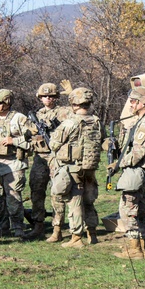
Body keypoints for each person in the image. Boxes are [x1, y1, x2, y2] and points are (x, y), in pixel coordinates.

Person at [47, 87, 103, 248]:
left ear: (74, 104)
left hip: (73, 168)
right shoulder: (96, 121)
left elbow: (53, 144)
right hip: (90, 167)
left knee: (75, 201)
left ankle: (76, 238)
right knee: (88, 202)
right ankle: (92, 234)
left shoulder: (70, 123)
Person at [112, 86, 145, 260]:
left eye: (134, 101)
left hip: (138, 170)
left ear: (143, 103)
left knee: (129, 209)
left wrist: (118, 164)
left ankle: (135, 250)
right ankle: (144, 250)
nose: (131, 104)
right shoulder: (142, 121)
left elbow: (138, 153)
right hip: (140, 169)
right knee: (140, 210)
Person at [0, 88, 34, 237]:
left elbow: (33, 140)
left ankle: (18, 227)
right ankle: (1, 227)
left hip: (13, 164)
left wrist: (14, 141)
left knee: (13, 198)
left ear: (7, 102)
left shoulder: (19, 118)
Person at [25, 83, 73, 242]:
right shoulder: (36, 115)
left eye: (51, 96)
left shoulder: (63, 111)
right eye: (45, 96)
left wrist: (71, 94)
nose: (48, 99)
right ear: (40, 98)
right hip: (40, 157)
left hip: (57, 156)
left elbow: (80, 111)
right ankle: (38, 225)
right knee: (36, 190)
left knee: (57, 192)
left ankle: (57, 228)